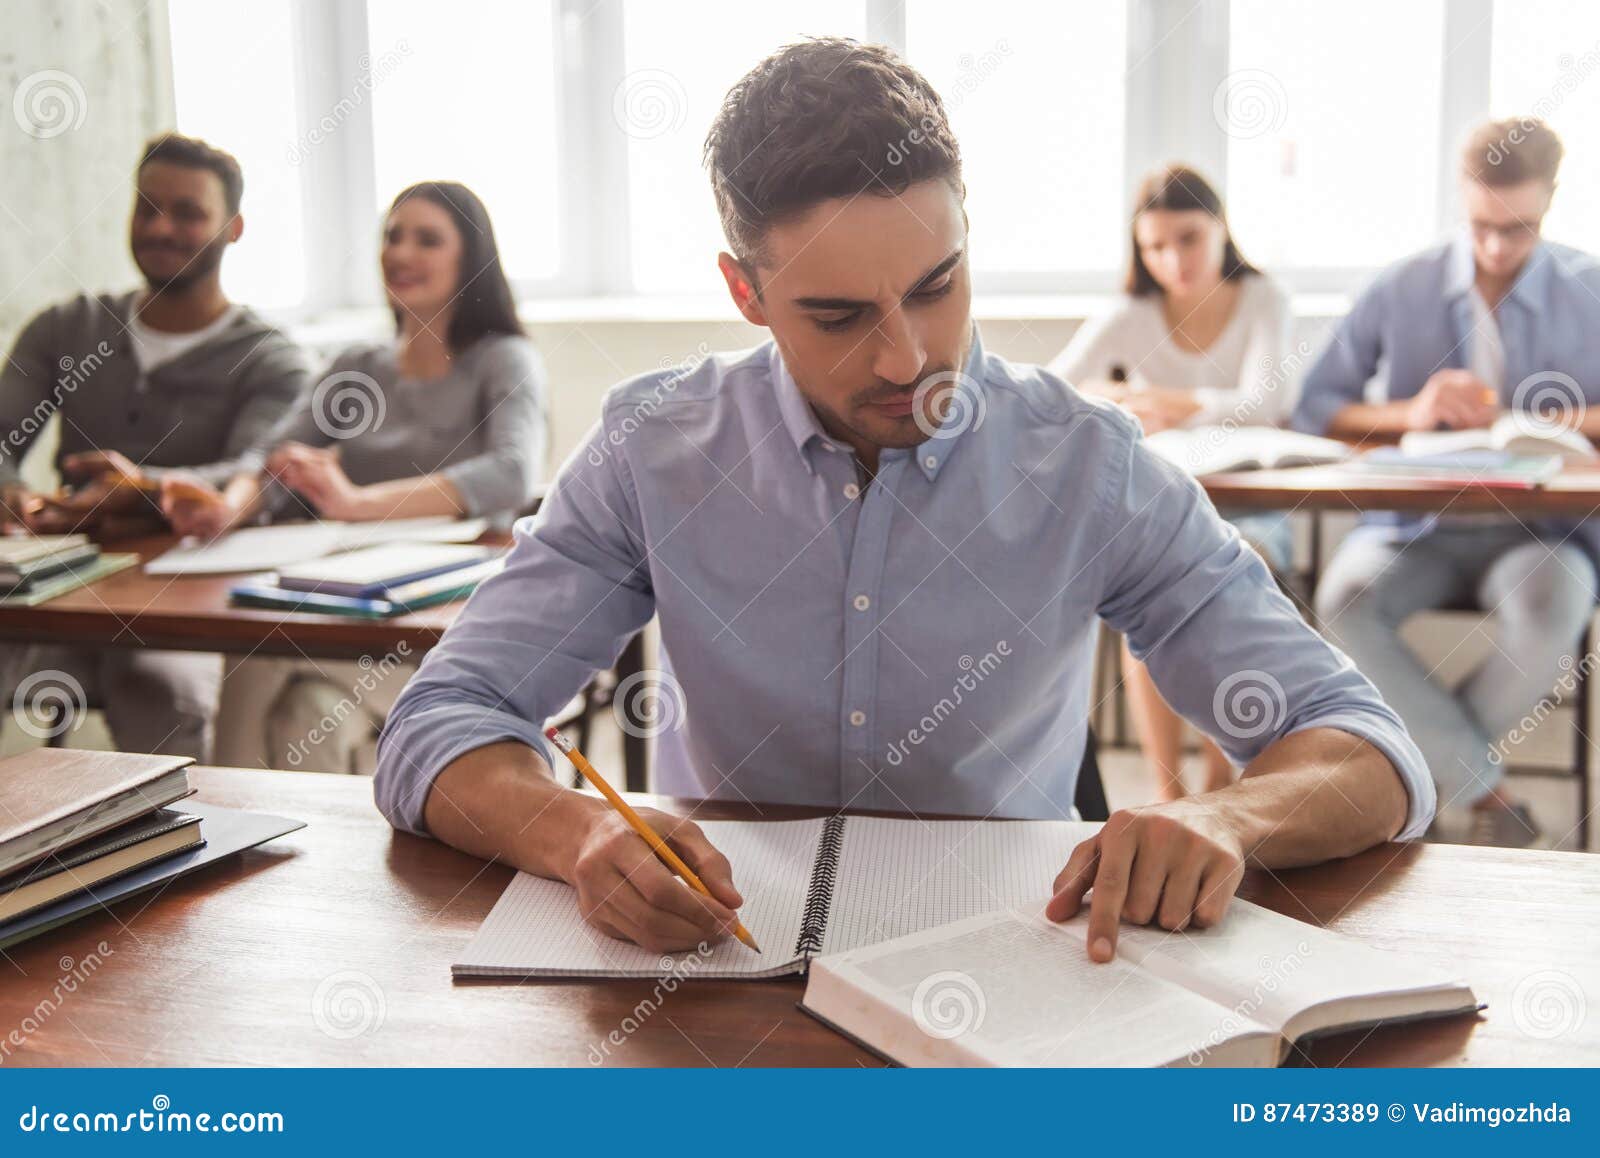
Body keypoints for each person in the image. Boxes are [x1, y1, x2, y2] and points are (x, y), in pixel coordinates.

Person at [374, 40, 1434, 961]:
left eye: (936, 287)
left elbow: (1366, 749)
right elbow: (439, 723)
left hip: (1019, 972)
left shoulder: (1086, 467)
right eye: (836, 314)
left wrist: (1228, 820)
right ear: (744, 292)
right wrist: (575, 833)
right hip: (716, 969)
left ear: (968, 232)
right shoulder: (651, 452)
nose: (909, 355)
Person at [167, 181, 546, 774]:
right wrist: (228, 508)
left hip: (450, 628)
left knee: (258, 653)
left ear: (470, 257)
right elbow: (272, 456)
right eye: (392, 236)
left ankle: (219, 825)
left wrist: (357, 503)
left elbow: (512, 472)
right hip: (349, 612)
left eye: (427, 239)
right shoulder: (356, 366)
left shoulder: (502, 360)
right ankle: (245, 843)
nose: (401, 253)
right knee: (305, 713)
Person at [1293, 118, 1600, 848]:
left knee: (1559, 603)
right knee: (1341, 602)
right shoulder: (1402, 286)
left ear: (1550, 202)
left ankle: (1422, 781)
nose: (1496, 247)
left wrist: (1570, 420)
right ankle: (1484, 794)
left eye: (1518, 229)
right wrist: (1412, 411)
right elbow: (1315, 407)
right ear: (1462, 198)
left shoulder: (1590, 288)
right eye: (1482, 225)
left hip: (1540, 534)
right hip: (1413, 528)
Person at [0, 133, 310, 759]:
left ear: (234, 228)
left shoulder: (273, 358)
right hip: (49, 599)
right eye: (147, 207)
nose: (160, 227)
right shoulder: (66, 327)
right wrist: (14, 496)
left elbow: (254, 474)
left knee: (164, 699)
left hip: (177, 612)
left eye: (188, 212)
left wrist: (139, 485)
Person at [1051, 164, 1293, 803]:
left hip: (1252, 514)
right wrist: (1117, 398)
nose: (1173, 259)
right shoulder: (1130, 311)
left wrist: (1166, 398)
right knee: (1146, 598)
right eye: (1155, 246)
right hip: (1155, 508)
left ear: (1220, 228)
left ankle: (1218, 784)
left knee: (1222, 589)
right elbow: (1052, 390)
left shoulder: (1266, 300)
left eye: (1188, 238)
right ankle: (1168, 792)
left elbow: (1265, 404)